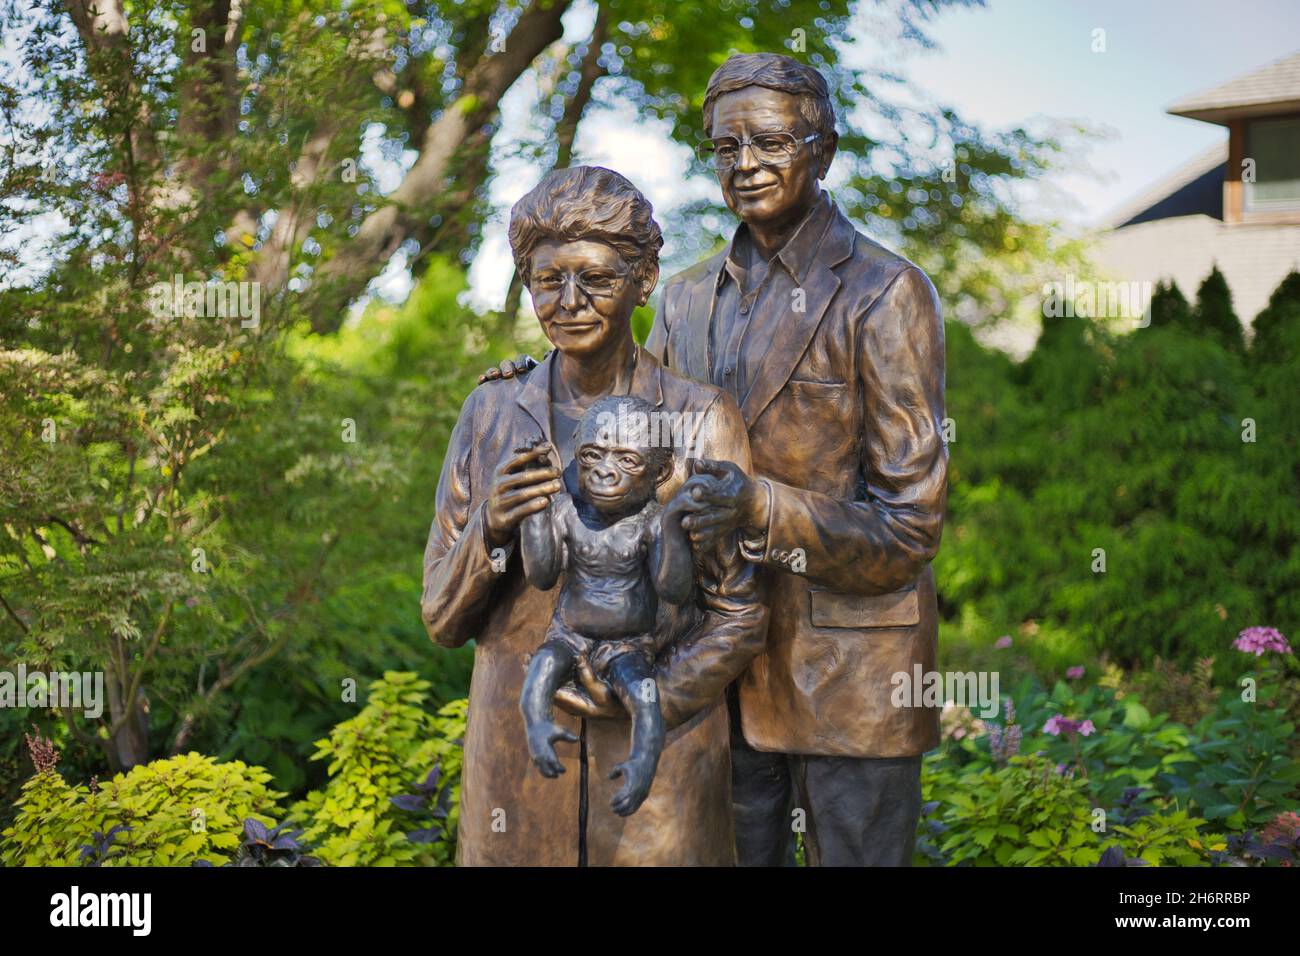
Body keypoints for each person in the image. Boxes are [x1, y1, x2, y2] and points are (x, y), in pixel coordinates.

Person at [482, 54, 948, 866]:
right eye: (725, 147)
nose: (746, 165)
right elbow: (634, 415)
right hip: (714, 675)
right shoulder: (687, 297)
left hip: (851, 674)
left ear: (824, 149)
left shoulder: (887, 292)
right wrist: (534, 374)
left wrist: (760, 505)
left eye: (769, 142)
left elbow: (910, 527)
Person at [422, 165, 767, 865]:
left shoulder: (698, 417)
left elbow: (742, 613)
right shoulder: (491, 410)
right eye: (548, 280)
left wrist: (653, 699)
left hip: (656, 774)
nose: (569, 301)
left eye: (597, 280)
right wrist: (490, 530)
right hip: (516, 769)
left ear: (642, 282)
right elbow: (440, 616)